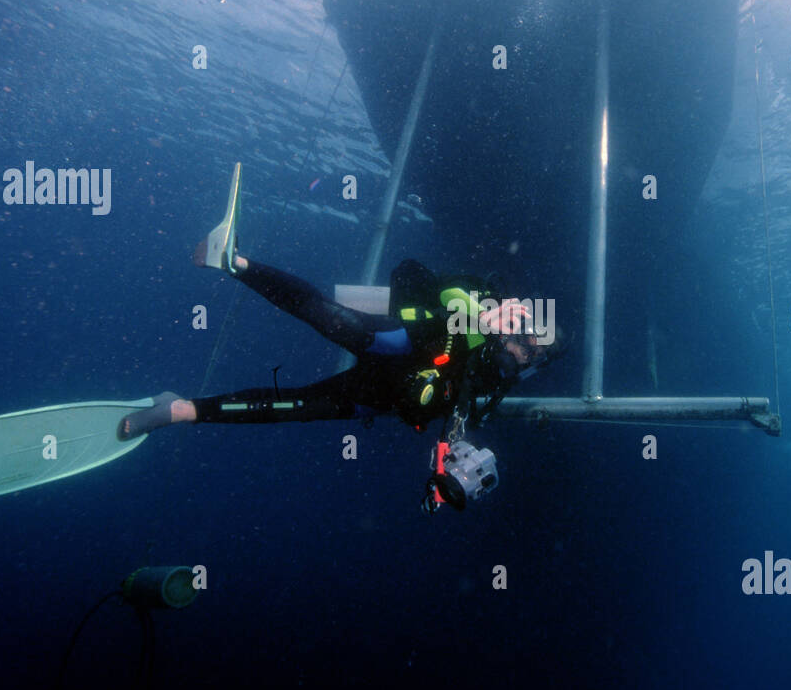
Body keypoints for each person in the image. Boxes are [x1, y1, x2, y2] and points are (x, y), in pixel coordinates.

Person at [118, 187, 562, 509]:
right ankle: (234, 261)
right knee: (325, 314)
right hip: (399, 344)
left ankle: (178, 411)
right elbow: (444, 291)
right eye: (527, 339)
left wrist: (441, 476)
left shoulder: (490, 380)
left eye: (535, 353)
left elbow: (456, 419)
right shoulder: (482, 310)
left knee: (294, 407)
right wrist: (482, 314)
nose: (525, 352)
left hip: (379, 396)